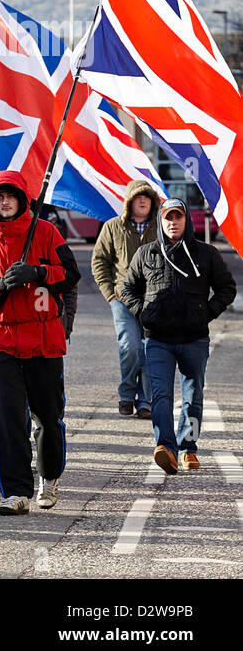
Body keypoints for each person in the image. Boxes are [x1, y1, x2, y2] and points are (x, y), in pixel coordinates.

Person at [0, 171, 80, 514]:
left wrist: (40, 273)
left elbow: (71, 274)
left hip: (43, 338)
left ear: (22, 199)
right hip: (1, 340)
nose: (4, 202)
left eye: (9, 196)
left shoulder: (47, 232)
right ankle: (15, 492)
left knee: (47, 415)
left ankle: (49, 476)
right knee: (10, 418)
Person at [120, 198, 236, 475]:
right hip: (157, 339)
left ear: (187, 220)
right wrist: (143, 312)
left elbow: (226, 288)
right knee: (160, 394)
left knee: (193, 396)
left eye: (178, 217)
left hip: (194, 338)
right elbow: (127, 289)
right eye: (168, 218)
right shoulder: (146, 253)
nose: (173, 222)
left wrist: (205, 313)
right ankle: (166, 448)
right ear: (160, 221)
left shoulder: (206, 254)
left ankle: (188, 449)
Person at [92, 179, 161, 419]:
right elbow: (99, 261)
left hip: (155, 300)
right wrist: (110, 294)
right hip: (122, 298)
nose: (143, 200)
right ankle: (126, 393)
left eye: (147, 197)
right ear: (129, 202)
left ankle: (145, 401)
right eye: (138, 197)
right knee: (130, 346)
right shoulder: (112, 227)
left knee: (150, 348)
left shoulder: (161, 227)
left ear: (153, 202)